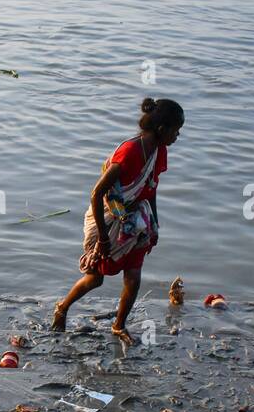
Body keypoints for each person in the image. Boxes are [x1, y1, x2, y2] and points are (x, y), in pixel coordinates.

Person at [50, 98, 183, 342]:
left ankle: (118, 326)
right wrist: (102, 238)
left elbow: (151, 188)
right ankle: (62, 308)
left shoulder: (158, 152)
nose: (177, 136)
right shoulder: (130, 151)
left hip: (136, 220)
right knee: (95, 277)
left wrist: (154, 223)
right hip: (109, 219)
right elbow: (97, 193)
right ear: (162, 129)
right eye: (176, 131)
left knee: (133, 276)